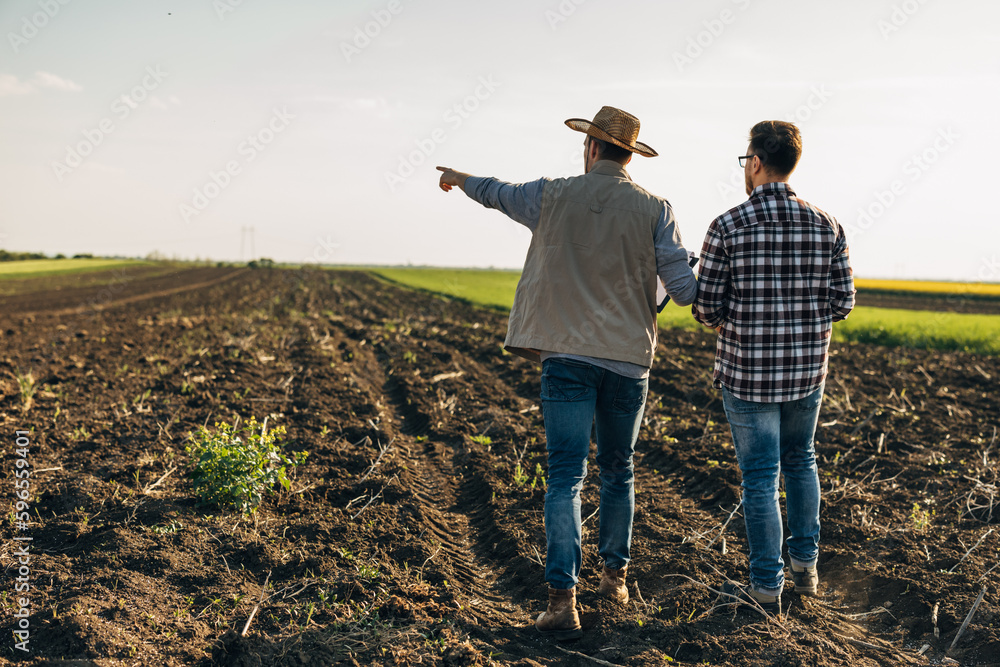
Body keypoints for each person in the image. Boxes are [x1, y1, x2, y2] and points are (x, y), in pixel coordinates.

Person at [436, 106, 698, 639]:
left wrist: (459, 179)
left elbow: (497, 191)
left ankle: (562, 602)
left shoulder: (552, 194)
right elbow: (686, 290)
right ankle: (615, 580)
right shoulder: (657, 209)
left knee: (565, 476)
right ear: (629, 154)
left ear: (592, 148)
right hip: (628, 362)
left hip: (567, 359)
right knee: (618, 470)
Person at [692, 120, 856, 614]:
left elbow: (705, 310)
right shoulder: (827, 224)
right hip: (807, 372)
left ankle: (767, 586)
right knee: (801, 459)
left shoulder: (727, 226)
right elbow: (843, 302)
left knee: (760, 476)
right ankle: (806, 567)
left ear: (757, 162)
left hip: (748, 374)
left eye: (746, 160)